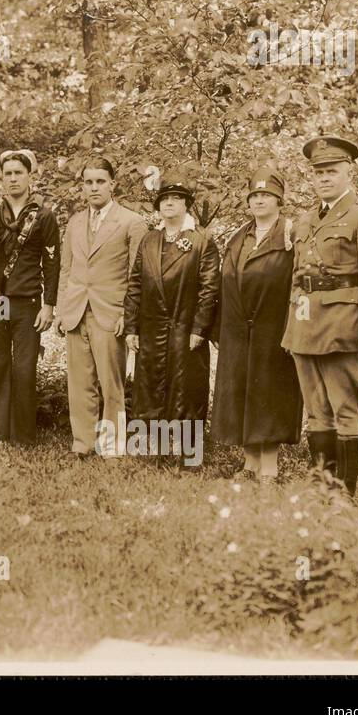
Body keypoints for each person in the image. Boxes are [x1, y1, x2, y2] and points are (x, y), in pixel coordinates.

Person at [281, 136, 358, 497]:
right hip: (305, 326)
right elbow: (297, 278)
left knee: (344, 409)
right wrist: (290, 329)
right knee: (315, 412)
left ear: (349, 172)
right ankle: (322, 488)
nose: (324, 178)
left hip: (343, 325)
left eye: (331, 171)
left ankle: (345, 492)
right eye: (318, 173)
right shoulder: (306, 219)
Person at [211, 167, 303, 481]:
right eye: (255, 195)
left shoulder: (291, 234)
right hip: (237, 330)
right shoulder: (239, 236)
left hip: (272, 329)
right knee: (241, 394)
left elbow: (300, 282)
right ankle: (249, 465)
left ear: (279, 201)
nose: (260, 200)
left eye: (267, 195)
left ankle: (269, 469)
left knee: (270, 395)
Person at [54, 156, 147, 458]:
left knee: (111, 385)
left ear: (112, 184)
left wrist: (127, 314)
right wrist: (61, 309)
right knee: (80, 383)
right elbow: (66, 269)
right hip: (76, 310)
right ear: (82, 187)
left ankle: (111, 445)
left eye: (100, 182)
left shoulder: (132, 222)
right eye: (88, 182)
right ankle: (83, 444)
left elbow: (139, 275)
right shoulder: (75, 221)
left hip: (110, 313)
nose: (94, 188)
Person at [0, 150, 60, 446]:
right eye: (7, 173)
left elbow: (52, 262)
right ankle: (0, 432)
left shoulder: (44, 216)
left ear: (30, 176)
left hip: (26, 301)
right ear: (1, 178)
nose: (12, 178)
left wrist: (49, 304)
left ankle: (23, 436)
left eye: (18, 173)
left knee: (23, 367)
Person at [124, 180, 220, 436]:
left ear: (186, 204)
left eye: (176, 198)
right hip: (151, 327)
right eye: (164, 199)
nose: (169, 202)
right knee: (151, 386)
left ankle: (185, 448)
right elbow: (135, 284)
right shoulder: (149, 240)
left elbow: (209, 289)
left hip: (185, 328)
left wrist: (199, 329)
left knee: (185, 389)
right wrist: (131, 327)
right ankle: (152, 444)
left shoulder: (201, 240)